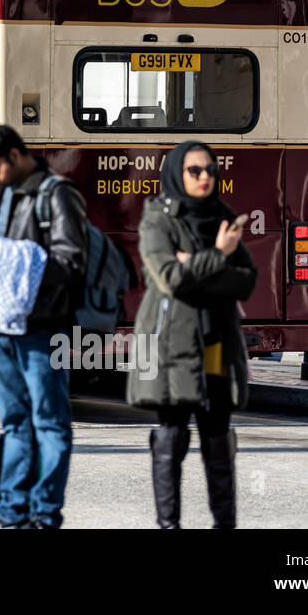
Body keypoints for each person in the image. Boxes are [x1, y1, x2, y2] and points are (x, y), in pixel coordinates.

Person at [126, 141, 256, 528]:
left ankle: (224, 524)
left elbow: (246, 281)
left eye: (211, 171)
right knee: (171, 435)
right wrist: (217, 257)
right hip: (171, 344)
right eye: (195, 171)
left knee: (218, 439)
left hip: (216, 343)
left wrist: (195, 269)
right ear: (177, 173)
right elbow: (167, 278)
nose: (205, 178)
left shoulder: (222, 215)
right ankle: (170, 525)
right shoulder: (157, 219)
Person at [0, 124, 87, 528]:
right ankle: (10, 513)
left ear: (16, 156)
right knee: (15, 421)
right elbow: (3, 254)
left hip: (42, 330)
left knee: (50, 424)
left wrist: (12, 261)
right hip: (2, 330)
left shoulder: (58, 194)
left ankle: (45, 514)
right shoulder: (3, 194)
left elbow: (72, 262)